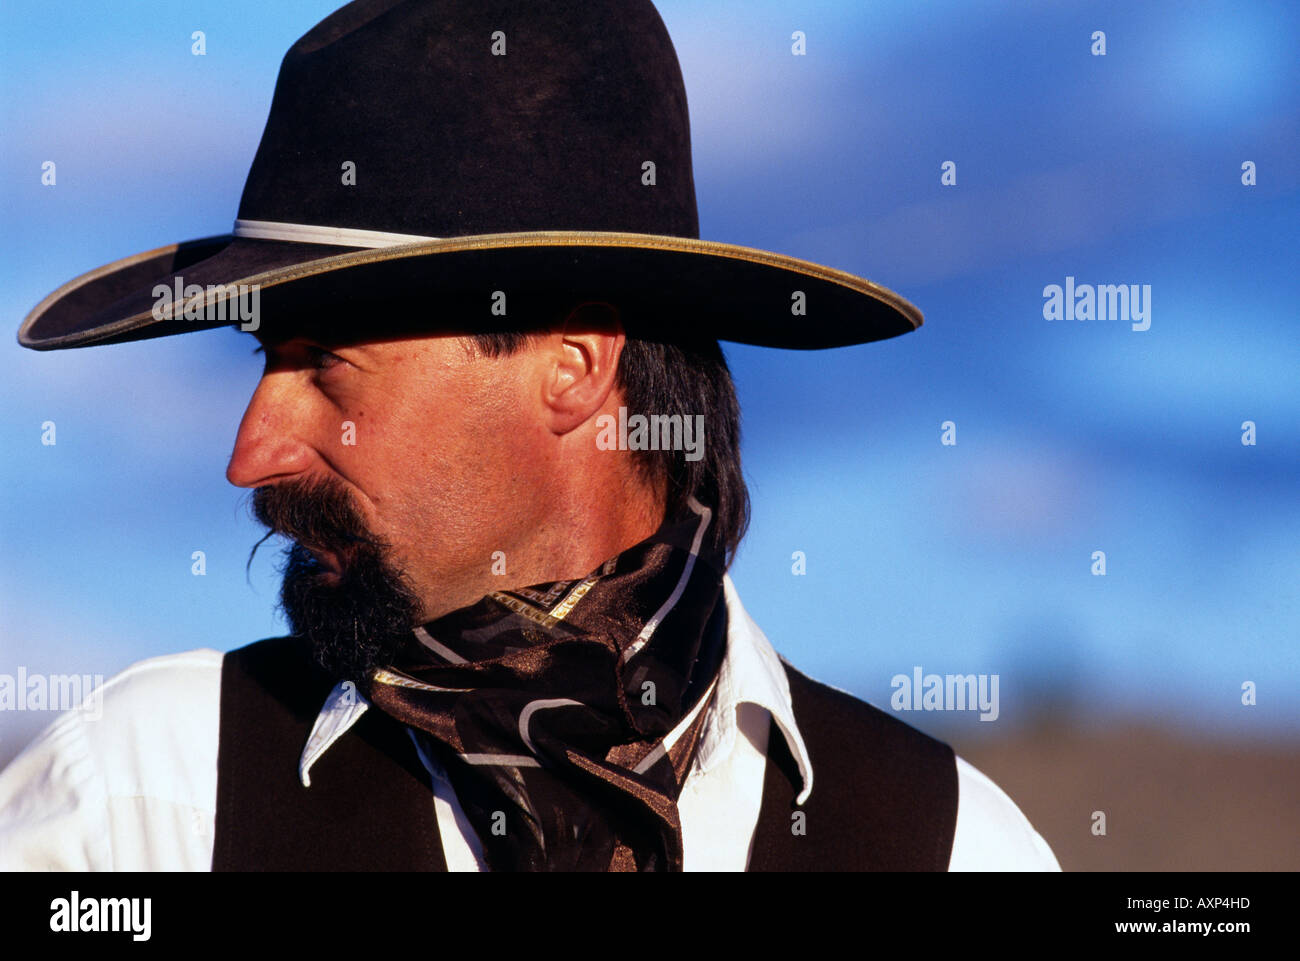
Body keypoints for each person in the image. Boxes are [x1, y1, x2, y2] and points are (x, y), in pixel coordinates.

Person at [0, 0, 1059, 871]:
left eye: (324, 366)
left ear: (572, 364)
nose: (252, 452)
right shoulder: (149, 803)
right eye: (264, 362)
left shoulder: (952, 845)